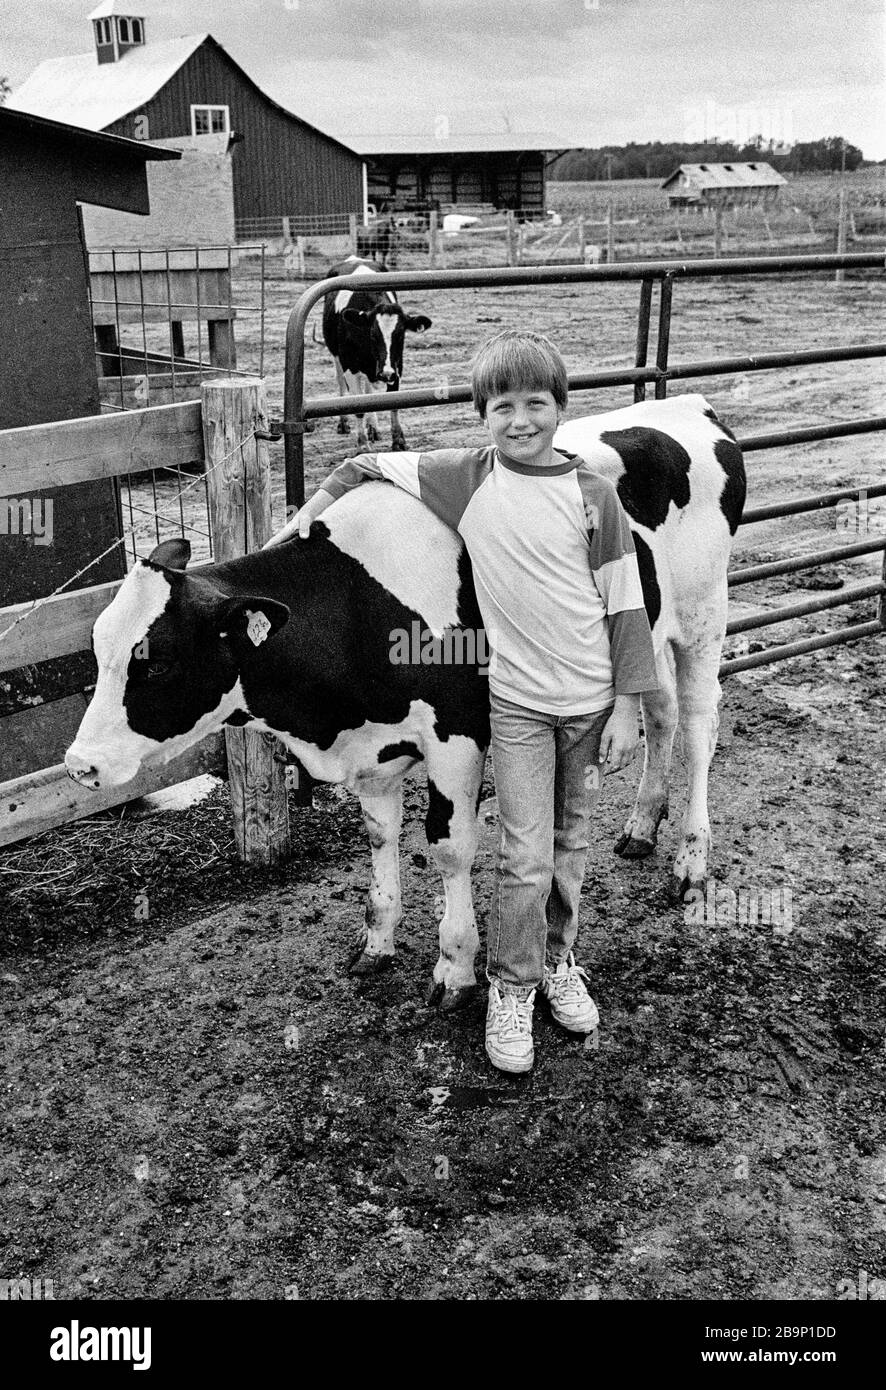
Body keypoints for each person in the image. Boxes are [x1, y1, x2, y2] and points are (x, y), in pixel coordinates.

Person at [282, 330, 658, 1073]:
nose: (521, 421)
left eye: (537, 404)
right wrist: (308, 513)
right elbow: (360, 461)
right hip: (515, 707)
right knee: (524, 854)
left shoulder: (595, 495)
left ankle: (559, 961)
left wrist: (626, 706)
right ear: (482, 413)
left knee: (572, 846)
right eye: (503, 407)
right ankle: (512, 989)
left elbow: (625, 603)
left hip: (587, 705)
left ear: (562, 407)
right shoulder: (466, 476)